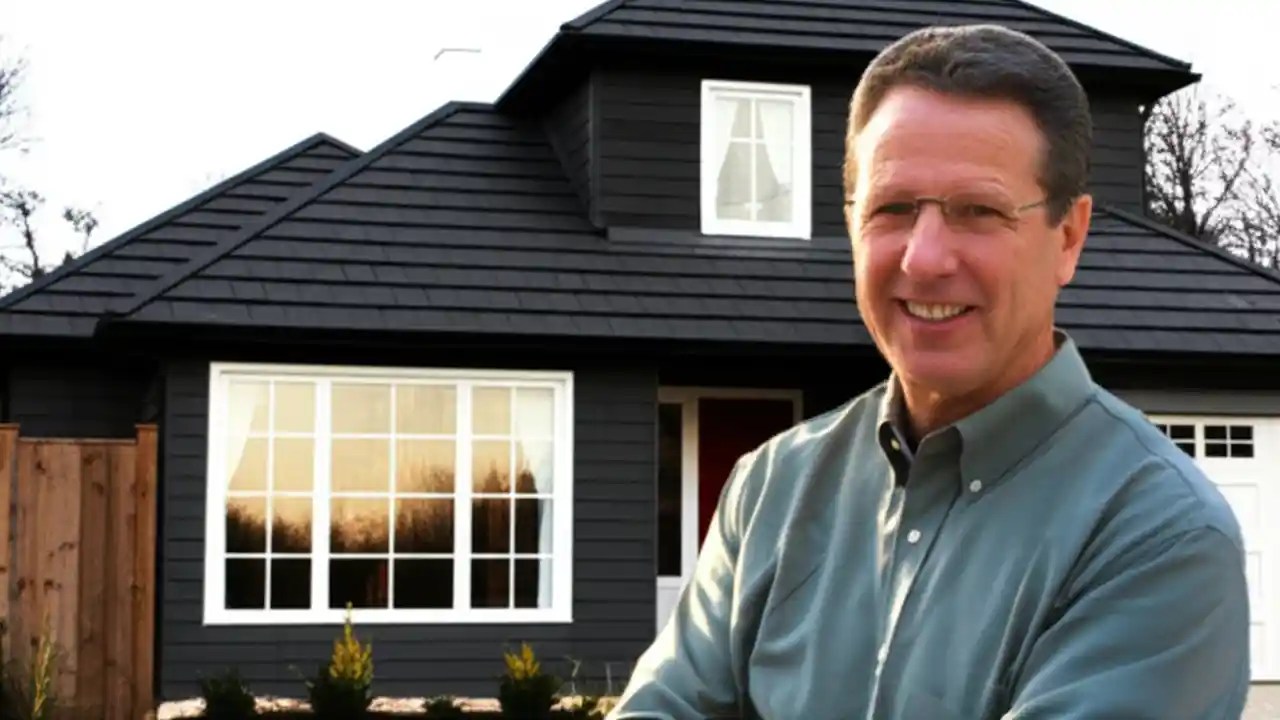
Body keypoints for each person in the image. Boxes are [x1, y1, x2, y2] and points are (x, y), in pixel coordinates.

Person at [609, 23, 1251, 720]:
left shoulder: (1157, 534)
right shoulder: (771, 489)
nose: (924, 257)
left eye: (978, 210)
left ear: (1068, 237)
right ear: (851, 224)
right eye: (893, 208)